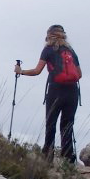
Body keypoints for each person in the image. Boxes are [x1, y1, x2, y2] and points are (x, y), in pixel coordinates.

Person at [16, 24, 81, 162]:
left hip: (55, 90)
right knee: (67, 124)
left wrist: (20, 71)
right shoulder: (71, 51)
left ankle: (48, 156)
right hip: (72, 92)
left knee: (51, 123)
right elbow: (79, 74)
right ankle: (68, 157)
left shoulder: (48, 50)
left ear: (49, 35)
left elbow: (37, 71)